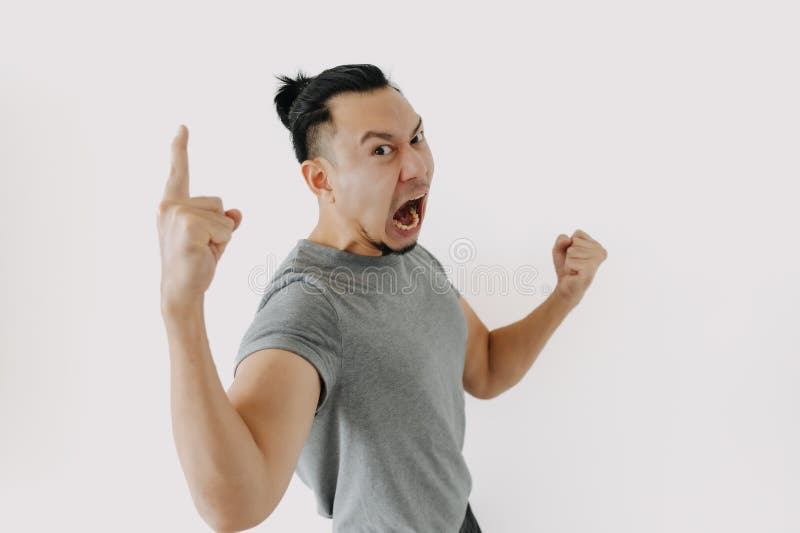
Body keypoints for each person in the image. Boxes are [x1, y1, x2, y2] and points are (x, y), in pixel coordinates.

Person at [157, 63, 608, 532]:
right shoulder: (309, 306)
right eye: (381, 150)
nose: (417, 167)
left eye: (416, 138)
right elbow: (234, 506)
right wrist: (181, 308)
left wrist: (565, 294)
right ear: (321, 180)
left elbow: (487, 368)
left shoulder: (410, 257)